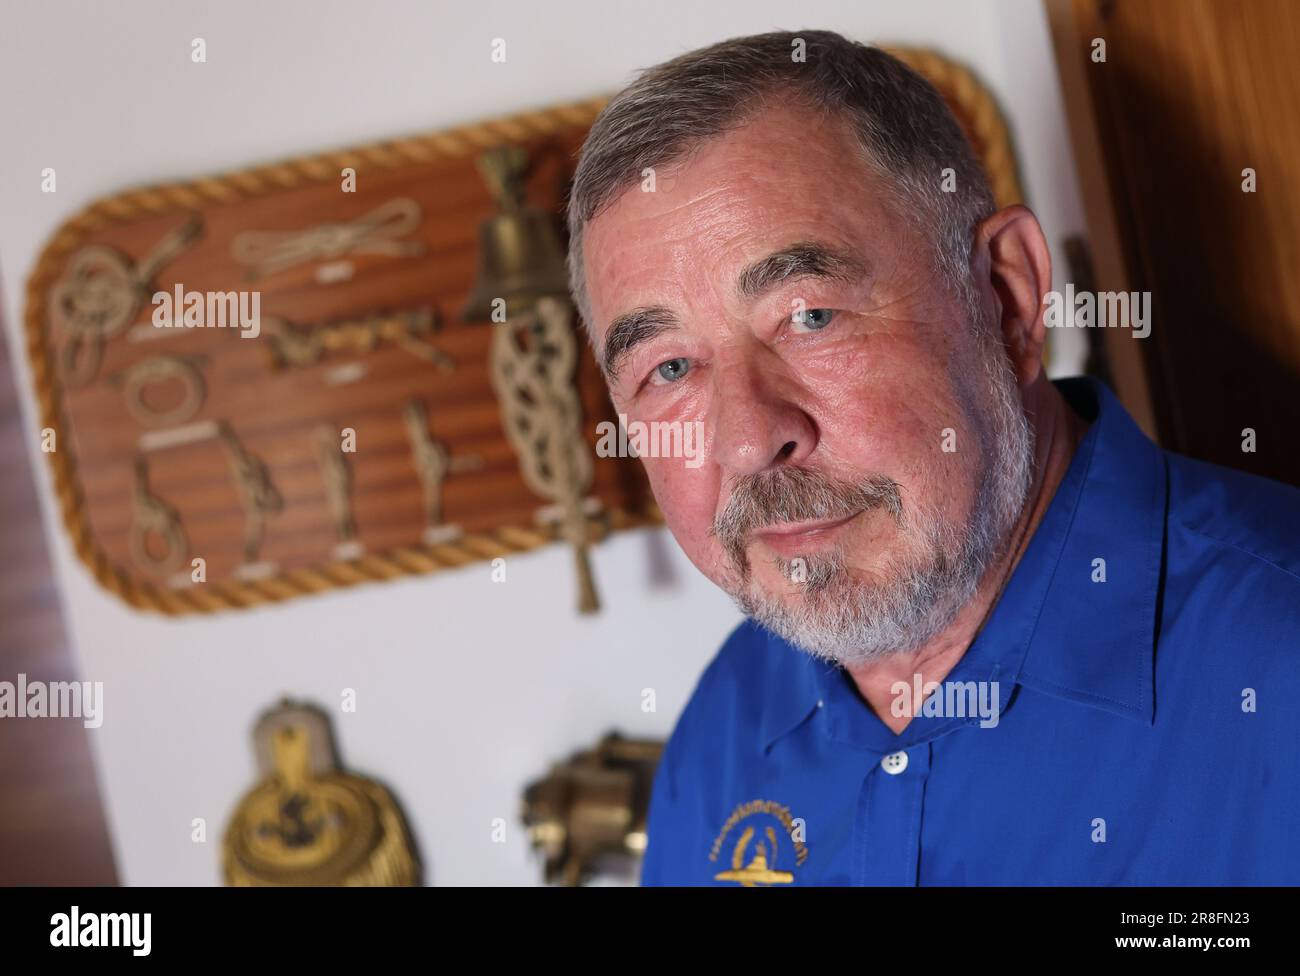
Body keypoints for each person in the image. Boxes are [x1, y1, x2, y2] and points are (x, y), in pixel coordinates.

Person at [566, 30, 1300, 884]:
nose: (748, 436)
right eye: (670, 368)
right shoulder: (722, 738)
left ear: (1007, 297)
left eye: (810, 316)